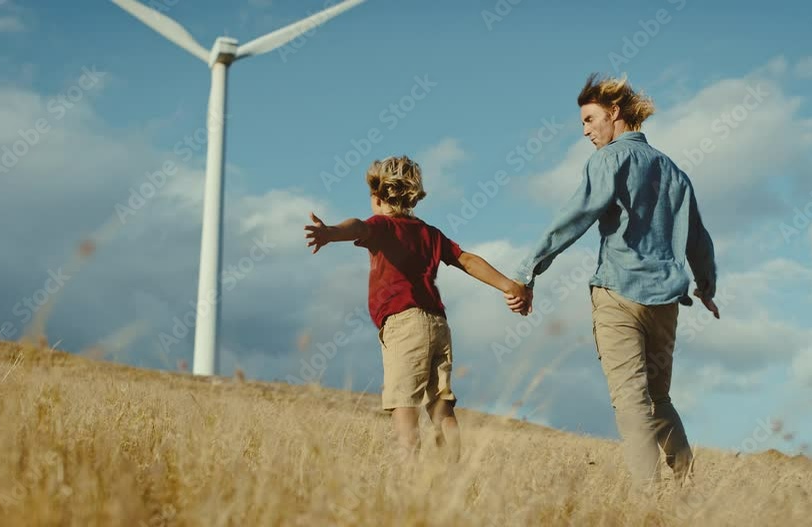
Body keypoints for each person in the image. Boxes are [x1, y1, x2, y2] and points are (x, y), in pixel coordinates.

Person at [505, 74, 720, 488]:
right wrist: (706, 286)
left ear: (614, 113)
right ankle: (690, 492)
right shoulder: (674, 171)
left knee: (631, 401)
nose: (585, 131)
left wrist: (527, 269)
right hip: (666, 304)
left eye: (589, 120)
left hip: (619, 296)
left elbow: (575, 217)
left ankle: (649, 500)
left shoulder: (608, 160)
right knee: (659, 400)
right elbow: (698, 237)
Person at [304, 155, 528, 462]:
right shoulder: (431, 234)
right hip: (438, 325)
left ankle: (406, 470)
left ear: (378, 196)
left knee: (403, 403)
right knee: (441, 404)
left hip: (404, 324)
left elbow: (357, 227)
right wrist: (508, 285)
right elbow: (467, 260)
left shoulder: (381, 226)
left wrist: (330, 232)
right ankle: (450, 476)